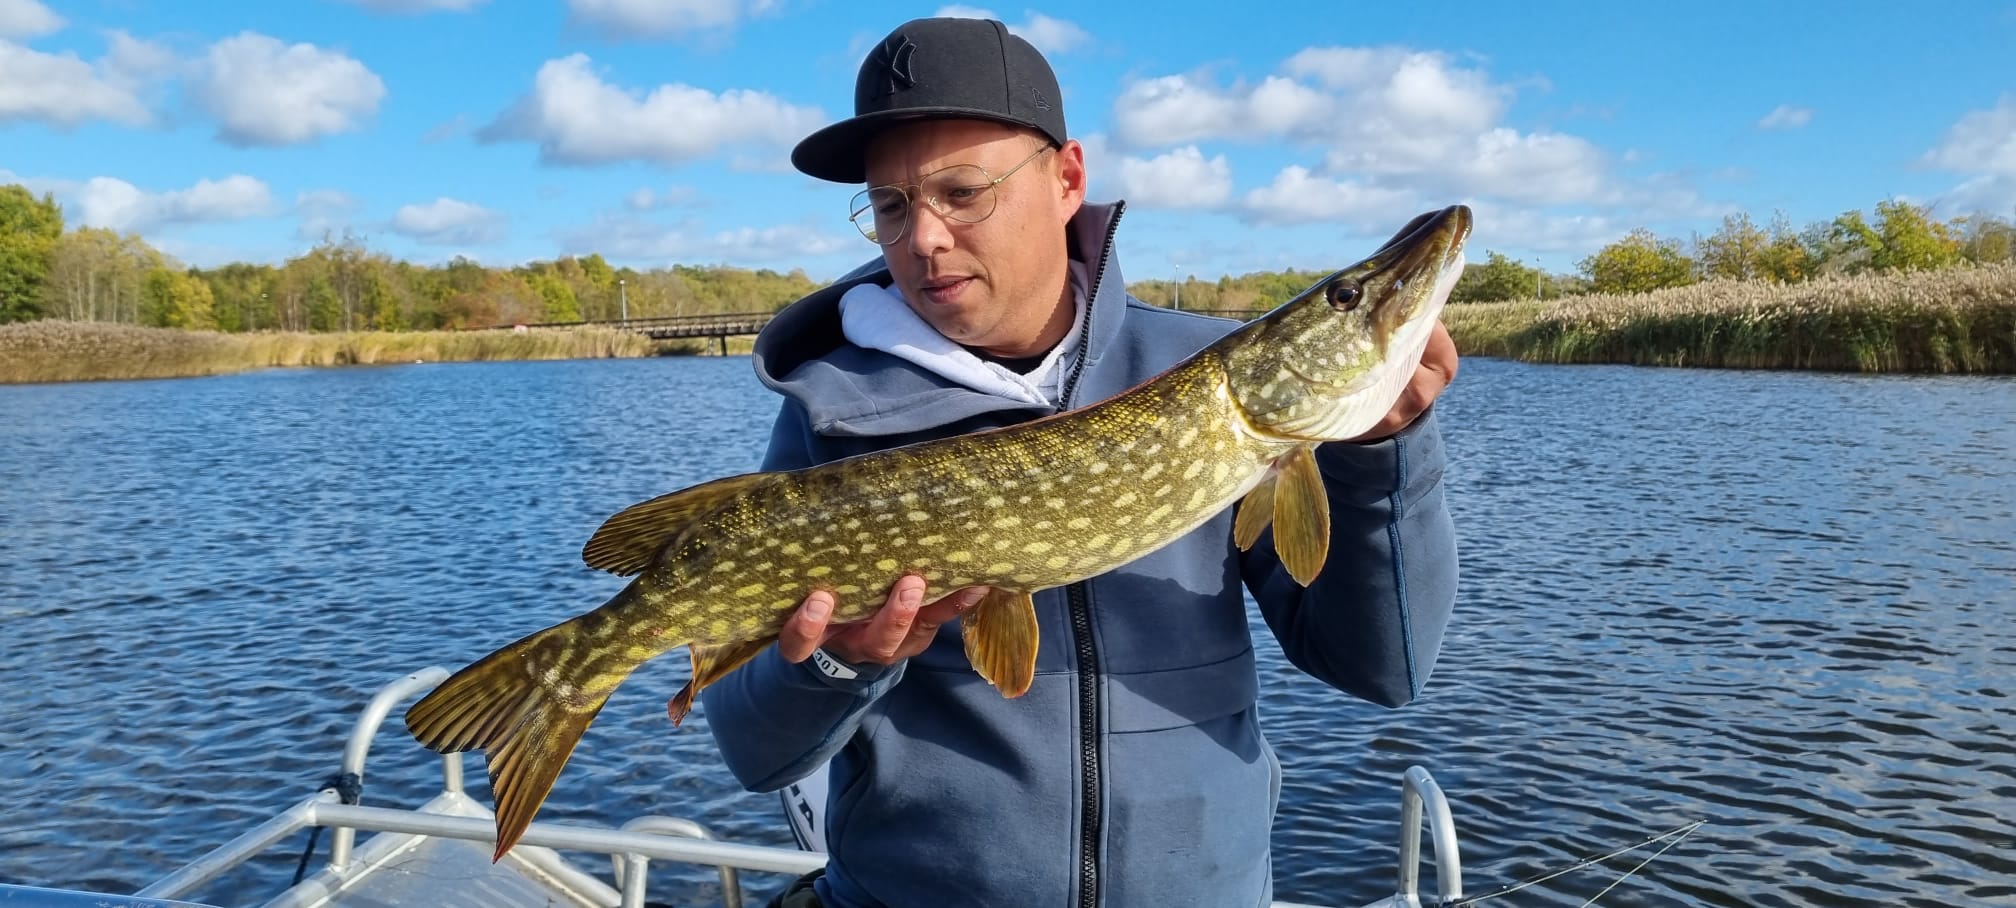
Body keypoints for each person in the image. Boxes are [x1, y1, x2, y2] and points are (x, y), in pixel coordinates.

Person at [699, 16, 1460, 908]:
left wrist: (1382, 451)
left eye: (962, 191)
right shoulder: (831, 419)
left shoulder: (1207, 384)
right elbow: (754, 752)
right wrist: (841, 664)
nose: (926, 239)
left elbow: (1383, 668)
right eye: (894, 206)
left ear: (1067, 180)